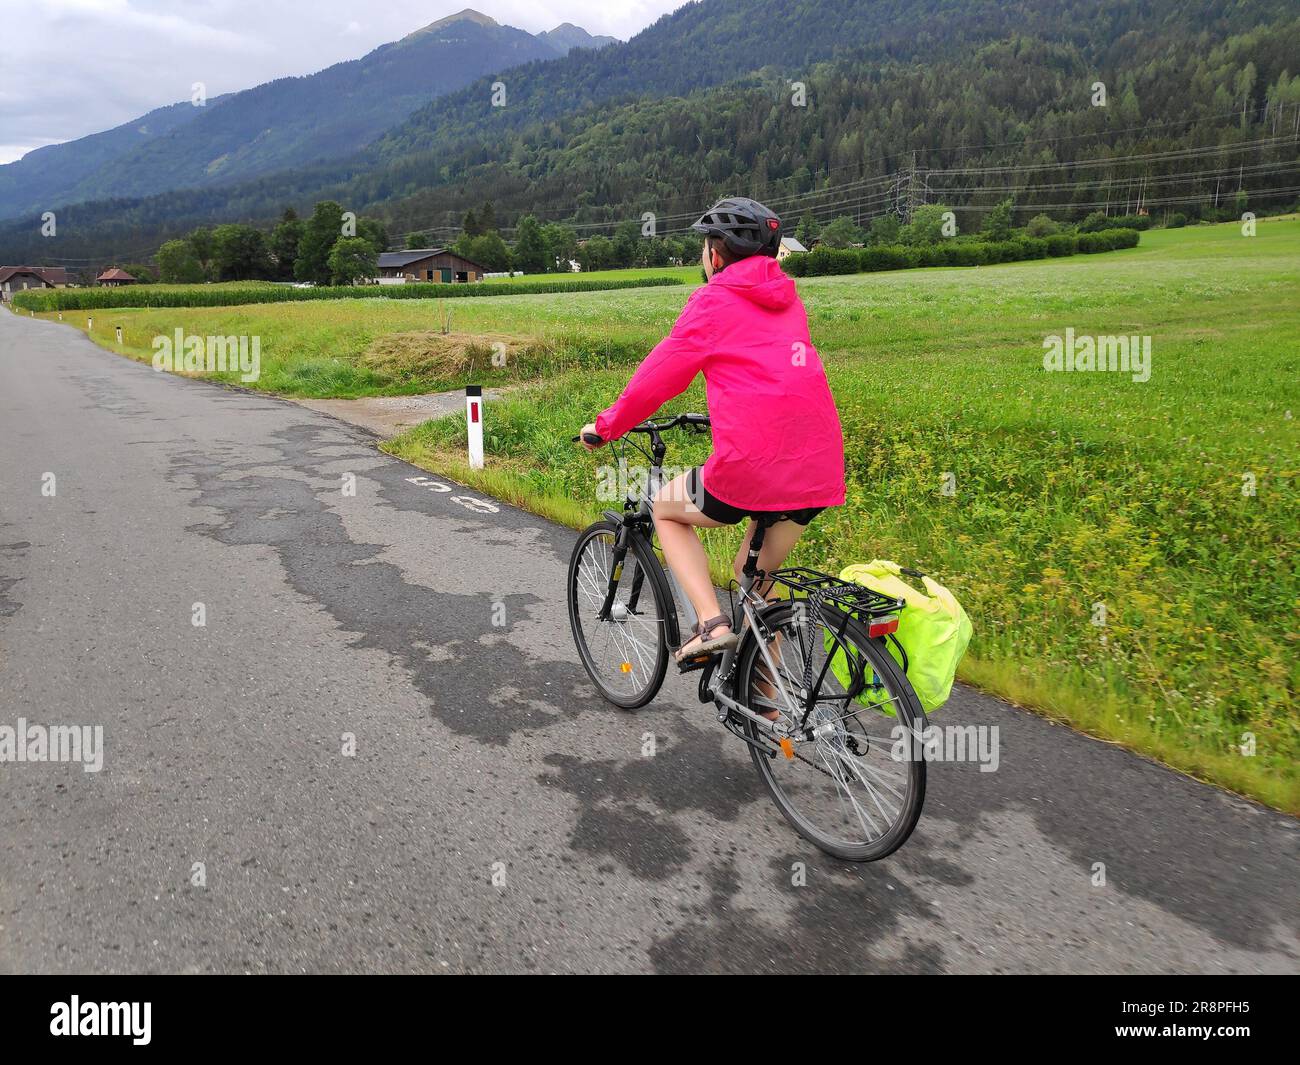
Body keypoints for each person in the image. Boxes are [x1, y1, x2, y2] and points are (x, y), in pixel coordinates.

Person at [579, 197, 846, 671]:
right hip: (817, 465)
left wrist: (605, 426)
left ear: (715, 255)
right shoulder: (788, 298)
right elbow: (773, 376)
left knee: (665, 509)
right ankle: (768, 713)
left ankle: (710, 625)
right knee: (755, 582)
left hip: (754, 467)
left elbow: (660, 376)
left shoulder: (713, 300)